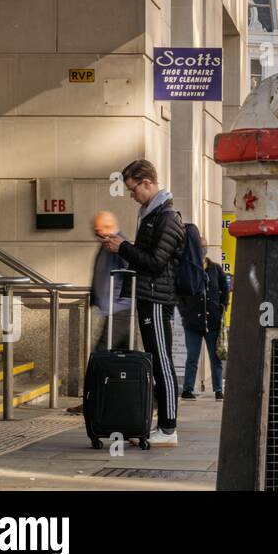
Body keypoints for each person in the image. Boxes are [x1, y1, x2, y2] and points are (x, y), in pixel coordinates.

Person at [101, 159, 186, 447]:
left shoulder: (166, 217)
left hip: (157, 298)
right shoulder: (151, 214)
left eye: (133, 188)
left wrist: (122, 247)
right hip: (149, 296)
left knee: (162, 361)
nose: (131, 195)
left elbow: (156, 262)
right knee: (157, 359)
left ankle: (168, 427)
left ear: (147, 182)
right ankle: (163, 425)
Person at [67, 211, 133, 414]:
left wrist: (121, 301)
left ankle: (91, 401)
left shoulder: (117, 244)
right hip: (114, 310)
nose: (96, 234)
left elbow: (130, 273)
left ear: (109, 226)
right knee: (127, 358)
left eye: (99, 230)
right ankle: (140, 397)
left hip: (119, 311)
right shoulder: (107, 245)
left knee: (99, 357)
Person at [178, 223, 231, 401]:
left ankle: (218, 389)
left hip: (213, 322)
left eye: (204, 247)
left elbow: (225, 290)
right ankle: (187, 389)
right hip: (192, 323)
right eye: (199, 247)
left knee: (215, 358)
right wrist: (184, 312)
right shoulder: (188, 269)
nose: (202, 250)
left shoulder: (216, 269)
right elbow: (180, 294)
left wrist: (221, 308)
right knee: (192, 358)